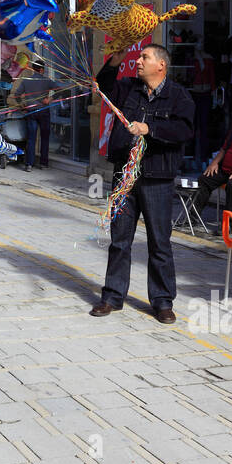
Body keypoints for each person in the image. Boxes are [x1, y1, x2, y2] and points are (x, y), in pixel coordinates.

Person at [93, 44, 195, 324]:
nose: (138, 61)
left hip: (157, 179)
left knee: (159, 242)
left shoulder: (179, 96)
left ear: (160, 65)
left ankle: (162, 301)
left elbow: (184, 130)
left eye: (144, 57)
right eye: (138, 57)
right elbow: (101, 87)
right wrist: (114, 60)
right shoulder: (129, 88)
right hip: (125, 176)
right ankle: (112, 296)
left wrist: (150, 129)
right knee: (119, 239)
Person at [10, 60, 55, 172]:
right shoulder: (47, 80)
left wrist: (22, 105)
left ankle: (29, 164)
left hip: (31, 112)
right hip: (44, 112)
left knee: (31, 138)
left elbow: (16, 95)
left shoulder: (26, 81)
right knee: (44, 138)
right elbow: (61, 89)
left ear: (33, 69)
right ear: (41, 69)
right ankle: (43, 163)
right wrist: (50, 99)